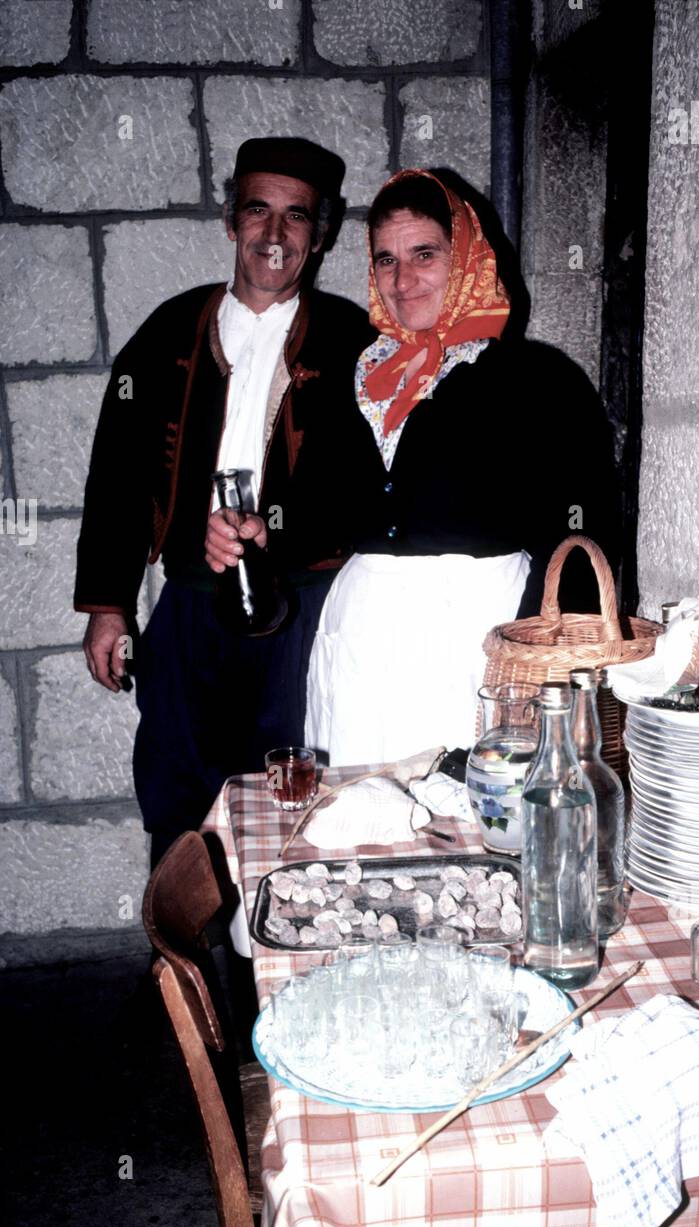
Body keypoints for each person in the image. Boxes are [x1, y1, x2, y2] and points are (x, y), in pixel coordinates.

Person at [206, 168, 621, 766]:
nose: (402, 280)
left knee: (471, 827)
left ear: (468, 258)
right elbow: (319, 511)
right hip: (361, 640)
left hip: (479, 638)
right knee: (360, 828)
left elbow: (582, 534)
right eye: (385, 260)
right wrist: (264, 531)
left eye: (424, 254)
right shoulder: (360, 377)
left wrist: (537, 666)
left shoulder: (537, 381)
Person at [75, 137, 372, 865]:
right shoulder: (168, 332)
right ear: (230, 219)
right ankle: (179, 970)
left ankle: (268, 966)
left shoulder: (353, 342)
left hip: (302, 607)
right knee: (177, 795)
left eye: (296, 217)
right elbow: (118, 473)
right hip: (190, 607)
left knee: (290, 797)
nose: (275, 236)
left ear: (322, 232)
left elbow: (367, 485)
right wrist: (111, 606)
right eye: (258, 212)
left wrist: (272, 530)